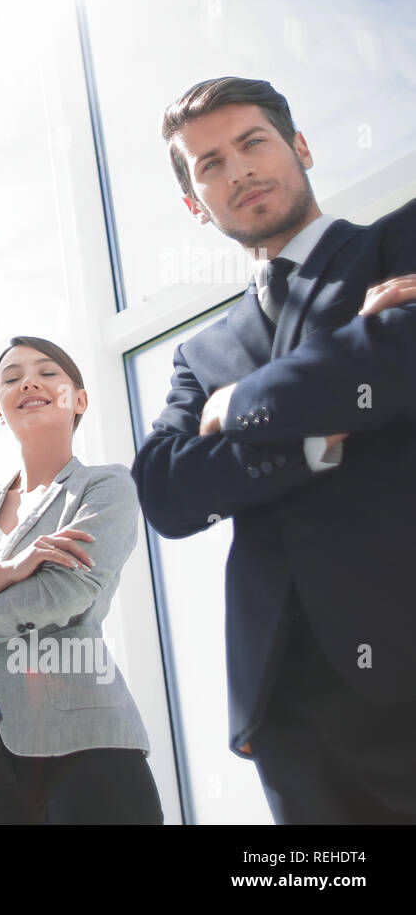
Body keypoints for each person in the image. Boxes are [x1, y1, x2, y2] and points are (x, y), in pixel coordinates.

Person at [132, 76, 416, 823]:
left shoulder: (397, 239)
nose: (239, 170)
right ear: (196, 205)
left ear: (301, 146)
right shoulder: (201, 352)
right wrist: (319, 434)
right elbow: (165, 489)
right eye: (210, 164)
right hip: (282, 708)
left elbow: (400, 356)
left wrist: (242, 406)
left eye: (252, 142)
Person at [0, 337, 162, 824]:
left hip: (86, 739)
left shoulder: (103, 486)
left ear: (78, 399)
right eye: (12, 377)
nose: (29, 382)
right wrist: (10, 570)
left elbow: (67, 592)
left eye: (47, 372)